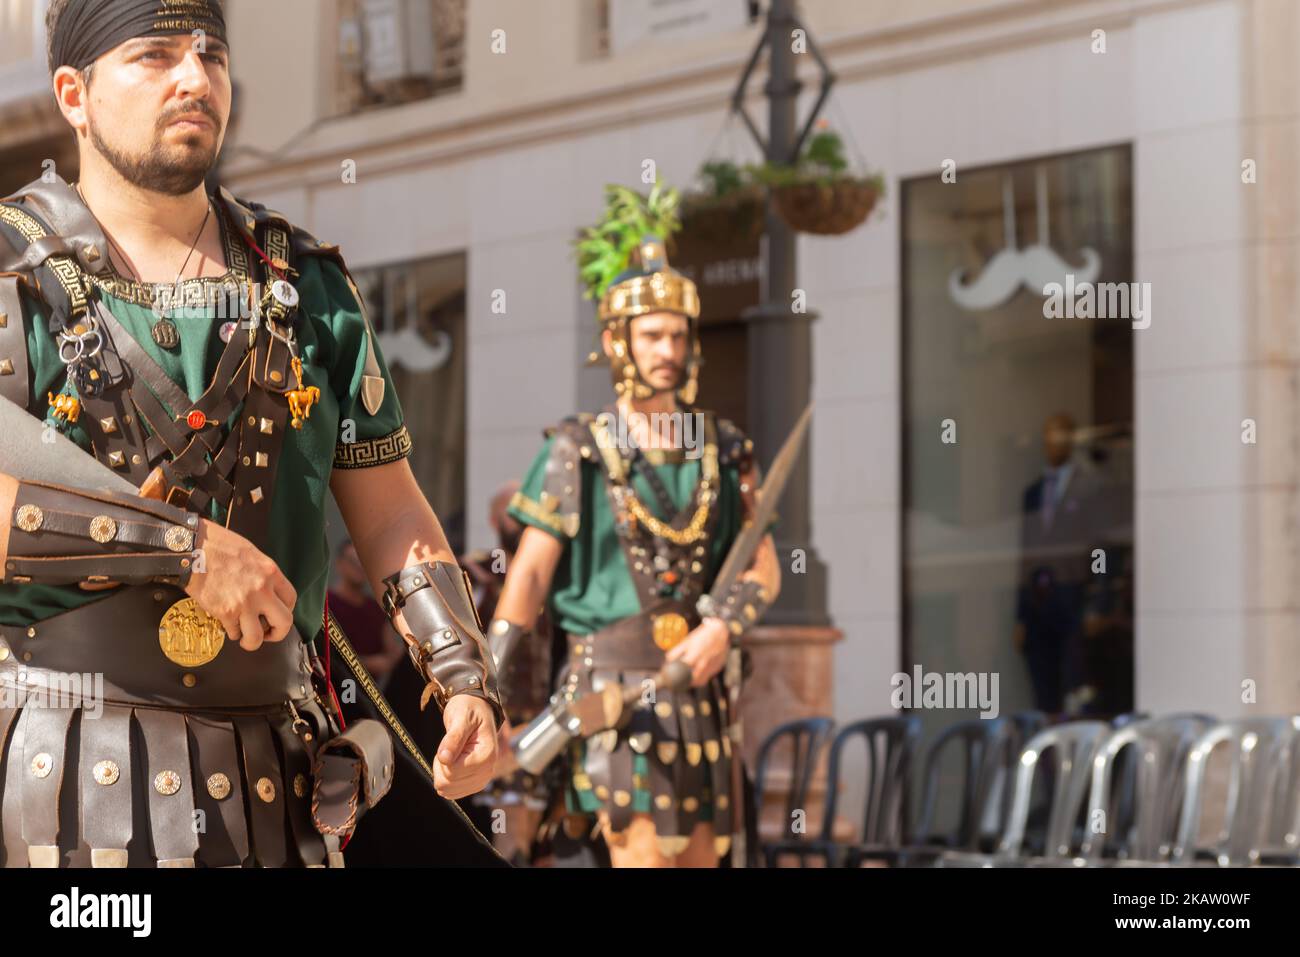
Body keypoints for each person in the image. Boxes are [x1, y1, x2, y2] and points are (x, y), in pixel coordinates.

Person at [0, 0, 500, 868]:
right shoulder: (11, 275)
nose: (195, 79)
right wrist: (183, 549)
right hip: (60, 781)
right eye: (154, 56)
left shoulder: (308, 285)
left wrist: (462, 677)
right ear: (73, 94)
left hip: (277, 787)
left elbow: (389, 515)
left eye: (210, 56)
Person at [490, 183, 782, 868]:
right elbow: (529, 576)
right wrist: (490, 687)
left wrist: (723, 626)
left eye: (679, 335)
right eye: (652, 334)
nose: (668, 349)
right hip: (611, 698)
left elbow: (762, 564)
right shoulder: (577, 447)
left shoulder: (725, 447)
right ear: (617, 342)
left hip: (703, 694)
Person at [1013, 412, 1098, 714]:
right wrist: (1021, 615)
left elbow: (1099, 545)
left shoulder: (1088, 488)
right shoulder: (1033, 494)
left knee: (1075, 688)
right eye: (1049, 435)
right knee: (1043, 692)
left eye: (1061, 435)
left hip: (1071, 597)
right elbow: (1025, 556)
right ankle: (1047, 759)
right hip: (1038, 604)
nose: (1054, 442)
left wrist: (1096, 603)